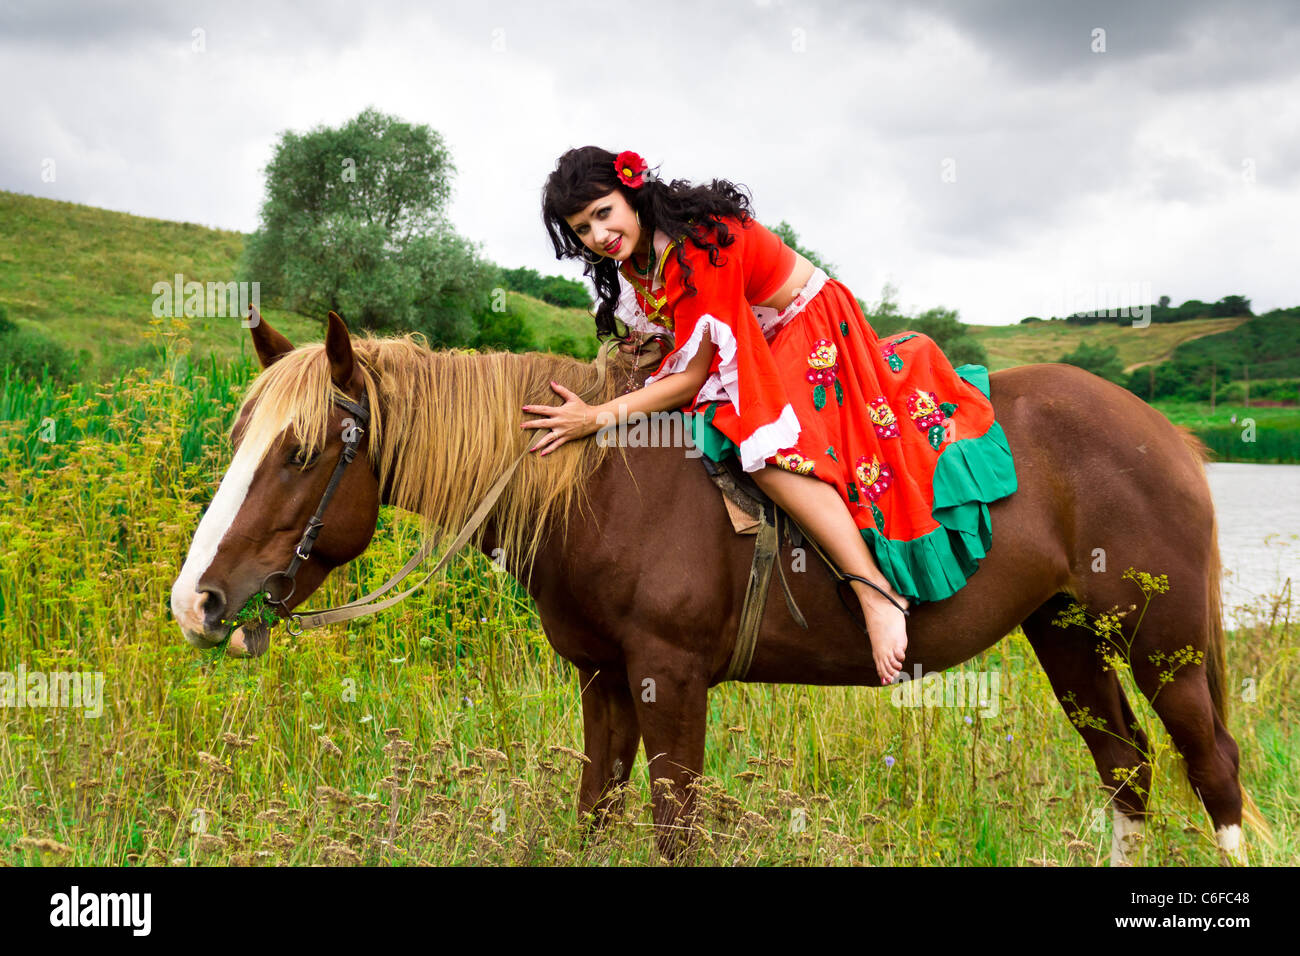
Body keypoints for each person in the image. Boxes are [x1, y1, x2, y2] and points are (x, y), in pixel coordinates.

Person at [524, 146, 1017, 684]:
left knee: (763, 449)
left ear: (632, 193)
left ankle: (874, 591)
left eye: (603, 213)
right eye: (582, 228)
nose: (598, 235)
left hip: (804, 324)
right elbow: (680, 343)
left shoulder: (697, 245)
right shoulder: (637, 259)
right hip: (753, 339)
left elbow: (691, 376)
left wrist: (596, 417)